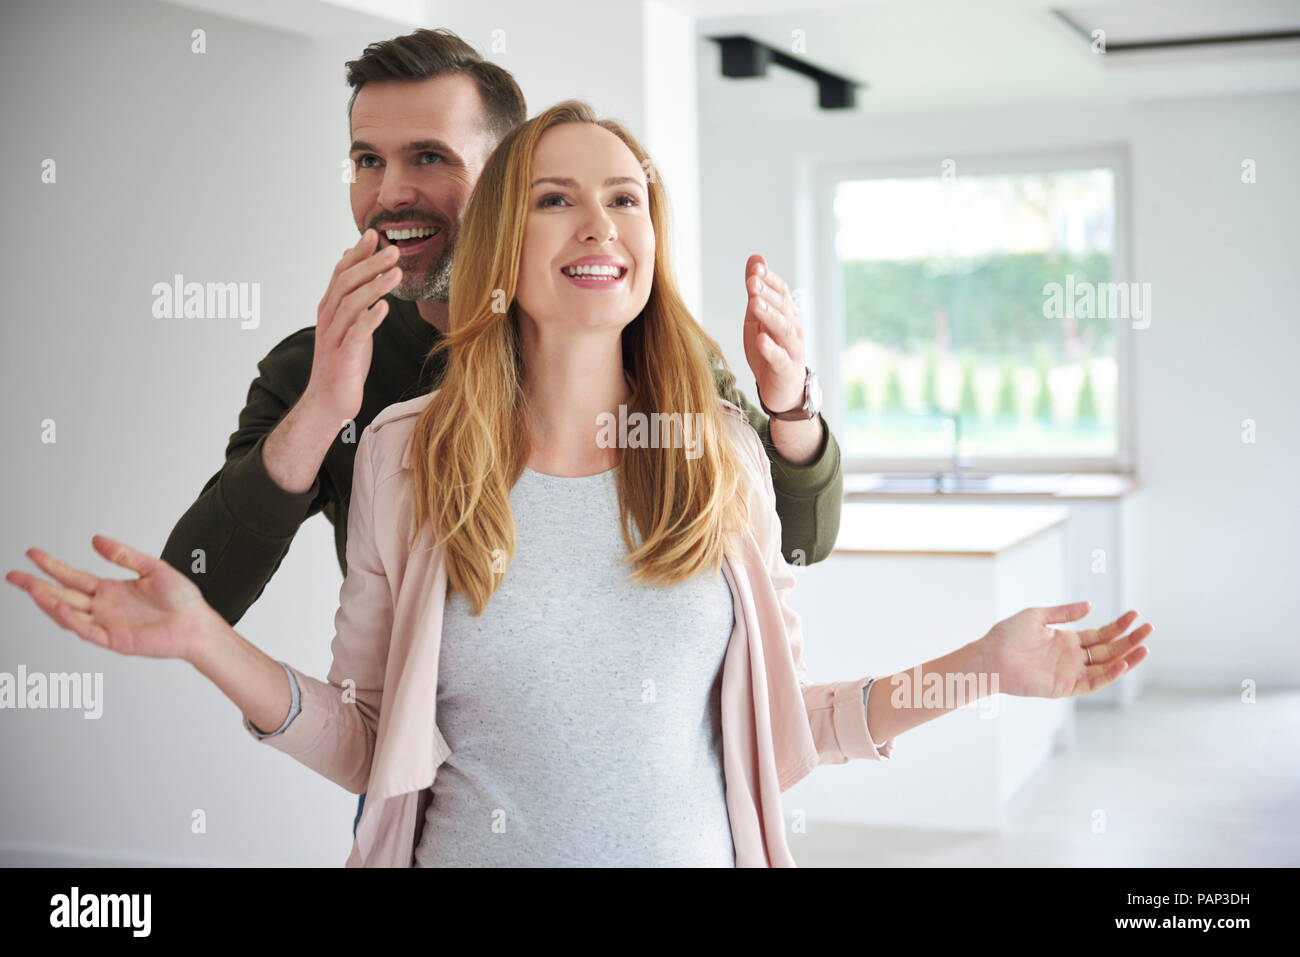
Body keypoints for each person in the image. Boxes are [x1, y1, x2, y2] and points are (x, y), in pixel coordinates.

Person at [7, 100, 1153, 867]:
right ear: (504, 242)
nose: (601, 221)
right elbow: (369, 743)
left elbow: (790, 728)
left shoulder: (721, 454)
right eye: (556, 196)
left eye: (627, 196)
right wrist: (205, 639)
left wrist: (979, 673)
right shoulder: (407, 457)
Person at [158, 27, 844, 840]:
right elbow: (194, 594)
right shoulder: (321, 367)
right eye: (367, 161)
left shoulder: (645, 352)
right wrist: (320, 410)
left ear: (504, 186)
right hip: (426, 785)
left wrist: (791, 406)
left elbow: (793, 544)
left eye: (429, 158)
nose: (389, 194)